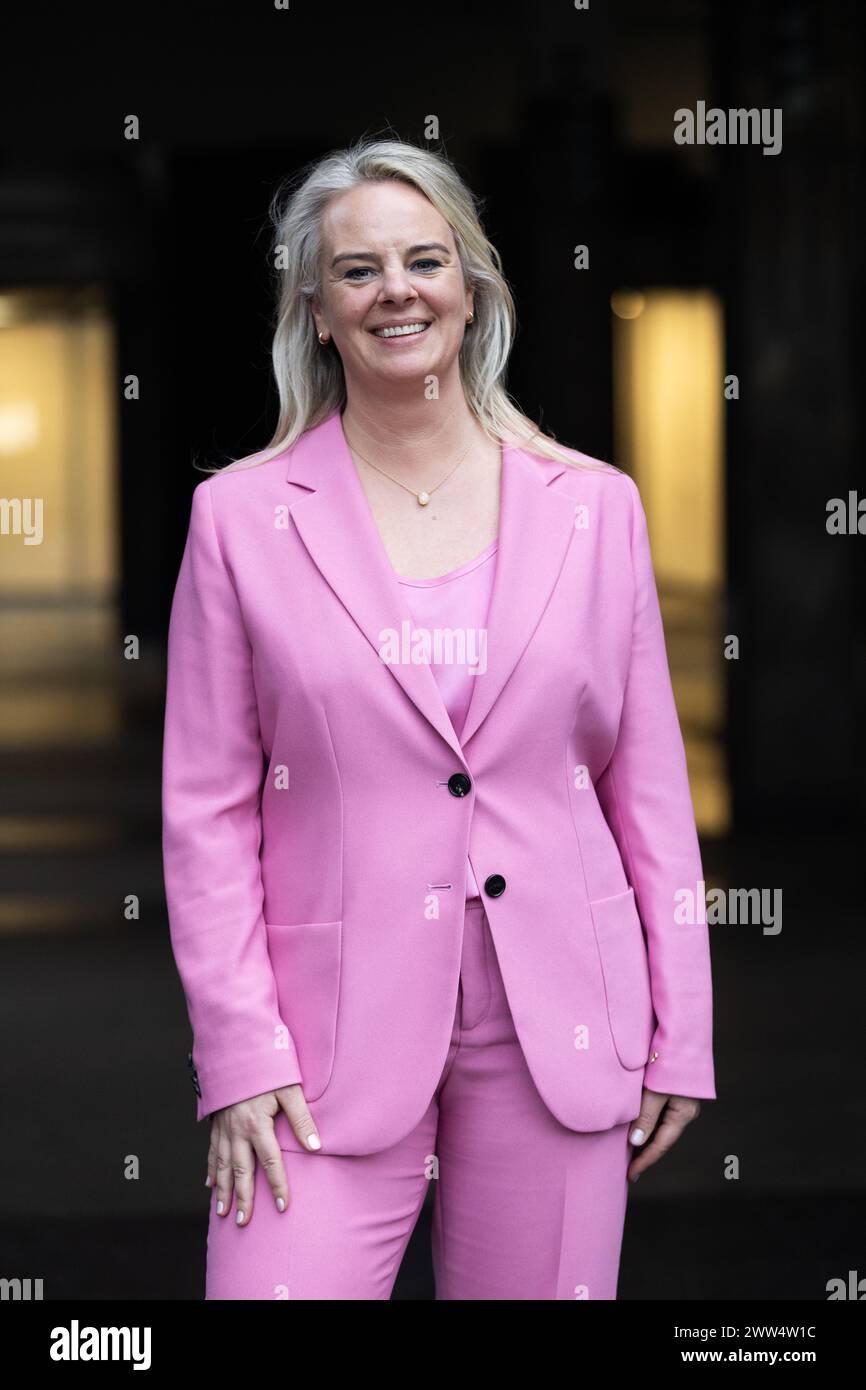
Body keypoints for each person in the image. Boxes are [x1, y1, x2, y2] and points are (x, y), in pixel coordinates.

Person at [162, 136, 716, 1300]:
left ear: (472, 289)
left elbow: (647, 789)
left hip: (559, 1023)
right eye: (357, 271)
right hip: (318, 1048)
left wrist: (681, 1028)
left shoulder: (593, 509)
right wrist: (237, 1052)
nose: (395, 290)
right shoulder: (238, 519)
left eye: (425, 260)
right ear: (315, 309)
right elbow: (205, 813)